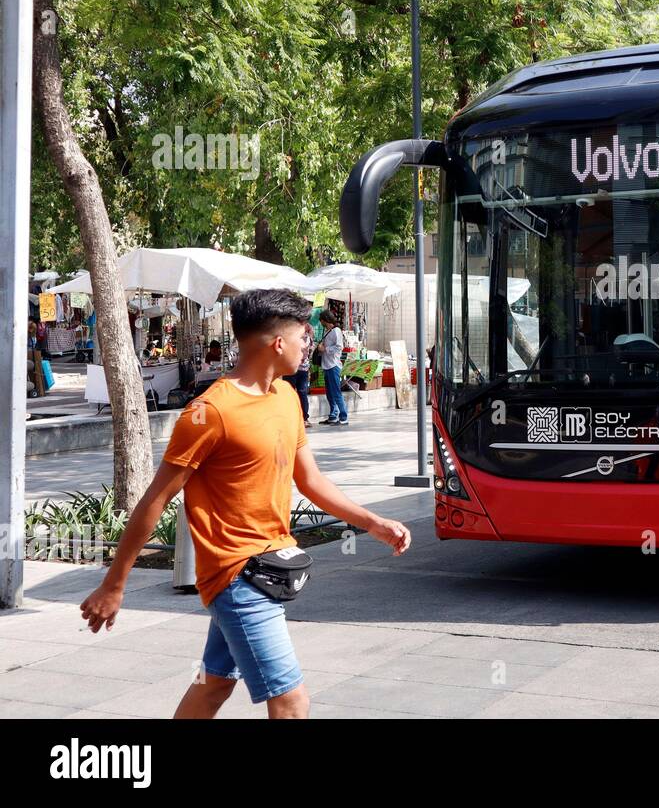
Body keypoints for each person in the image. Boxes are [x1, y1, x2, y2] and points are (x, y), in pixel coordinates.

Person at [78, 288, 411, 719]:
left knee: (213, 684)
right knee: (291, 702)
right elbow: (155, 500)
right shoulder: (210, 412)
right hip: (236, 579)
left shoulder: (287, 398)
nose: (308, 343)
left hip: (267, 568)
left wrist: (373, 522)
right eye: (302, 336)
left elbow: (309, 480)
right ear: (277, 343)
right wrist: (114, 584)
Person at [318, 309, 347, 425]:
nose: (320, 323)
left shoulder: (336, 331)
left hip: (333, 365)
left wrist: (325, 349)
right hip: (326, 365)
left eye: (321, 320)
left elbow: (339, 347)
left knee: (336, 392)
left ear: (325, 320)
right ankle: (333, 415)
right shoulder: (327, 331)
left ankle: (343, 417)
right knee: (330, 393)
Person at [284, 330, 313, 428]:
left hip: (291, 368)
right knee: (302, 393)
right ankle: (304, 418)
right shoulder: (307, 338)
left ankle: (291, 418)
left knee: (290, 393)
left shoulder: (293, 337)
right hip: (303, 368)